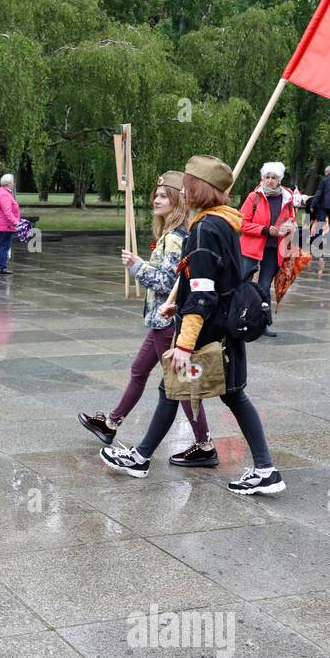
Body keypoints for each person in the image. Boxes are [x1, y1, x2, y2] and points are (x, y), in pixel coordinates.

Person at [99, 154, 286, 496]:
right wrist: (176, 303)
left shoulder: (202, 229)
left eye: (186, 185)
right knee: (190, 392)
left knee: (187, 391)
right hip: (223, 326)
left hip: (207, 331)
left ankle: (263, 468)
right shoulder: (224, 223)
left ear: (199, 189)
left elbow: (203, 294)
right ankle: (263, 468)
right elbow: (206, 280)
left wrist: (184, 344)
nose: (182, 192)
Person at [77, 171, 216, 467]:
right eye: (156, 195)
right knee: (140, 370)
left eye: (164, 196)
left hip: (169, 324)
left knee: (180, 387)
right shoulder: (167, 235)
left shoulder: (177, 239)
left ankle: (204, 445)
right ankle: (111, 423)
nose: (156, 199)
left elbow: (169, 283)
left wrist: (137, 266)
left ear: (178, 201)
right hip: (159, 321)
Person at [238, 161, 295, 338]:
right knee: (242, 281)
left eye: (274, 178)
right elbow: (241, 222)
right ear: (262, 178)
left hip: (273, 248)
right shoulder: (253, 197)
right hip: (251, 247)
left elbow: (291, 219)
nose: (270, 181)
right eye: (267, 177)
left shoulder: (287, 197)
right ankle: (235, 316)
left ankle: (262, 323)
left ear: (280, 179)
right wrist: (264, 229)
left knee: (264, 286)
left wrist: (289, 227)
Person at [0, 172, 20, 274]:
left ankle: (0, 266)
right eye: (13, 182)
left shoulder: (2, 191)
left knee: (2, 246)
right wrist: (16, 223)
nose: (14, 183)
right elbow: (7, 212)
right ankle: (1, 267)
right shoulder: (5, 194)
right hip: (6, 226)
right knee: (4, 247)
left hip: (3, 225)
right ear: (8, 183)